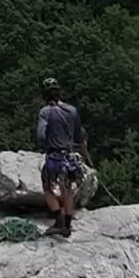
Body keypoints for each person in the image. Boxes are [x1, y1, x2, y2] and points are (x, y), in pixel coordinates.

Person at [37, 79, 88, 238]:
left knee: (48, 188)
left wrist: (44, 144)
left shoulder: (45, 112)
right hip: (71, 156)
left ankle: (59, 220)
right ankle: (68, 224)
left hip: (54, 157)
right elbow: (79, 134)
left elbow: (40, 134)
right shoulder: (72, 110)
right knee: (67, 190)